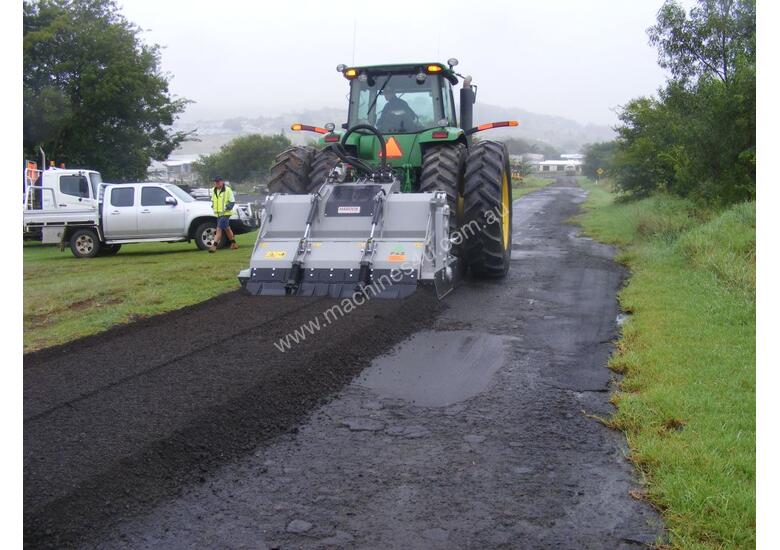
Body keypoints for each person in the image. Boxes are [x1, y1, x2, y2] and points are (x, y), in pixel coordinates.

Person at [209, 176, 238, 252]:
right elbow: (213, 200)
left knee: (218, 229)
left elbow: (232, 201)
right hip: (218, 214)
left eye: (218, 181)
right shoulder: (213, 190)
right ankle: (234, 243)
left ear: (222, 182)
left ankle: (214, 246)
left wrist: (227, 207)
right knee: (227, 228)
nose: (216, 183)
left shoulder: (228, 190)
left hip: (226, 213)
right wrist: (213, 205)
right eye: (215, 182)